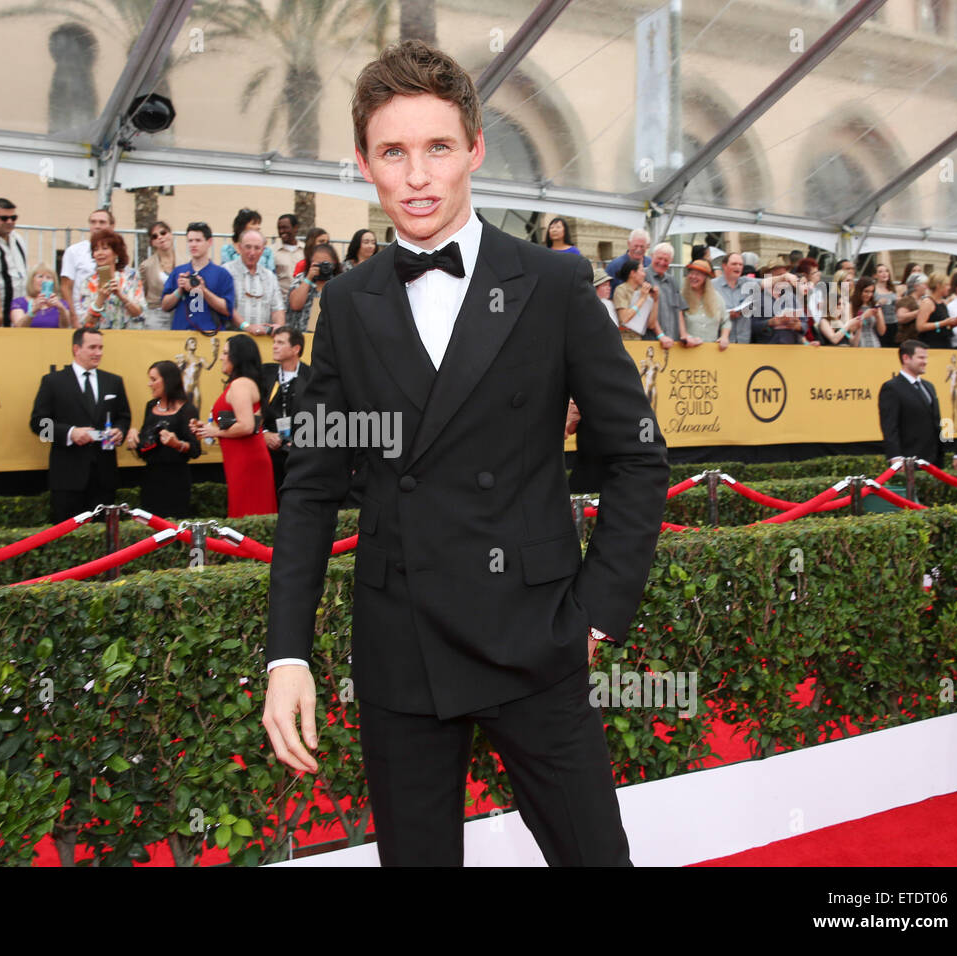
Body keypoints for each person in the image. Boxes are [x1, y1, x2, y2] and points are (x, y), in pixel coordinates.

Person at [263, 40, 669, 868]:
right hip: (399, 644)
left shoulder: (553, 285)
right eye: (394, 152)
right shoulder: (346, 304)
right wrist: (287, 653)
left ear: (475, 149)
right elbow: (310, 490)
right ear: (365, 164)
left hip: (535, 640)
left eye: (438, 148)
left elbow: (635, 454)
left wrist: (594, 615)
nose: (417, 175)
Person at [28, 328, 132, 524]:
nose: (98, 352)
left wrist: (120, 431)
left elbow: (124, 417)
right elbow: (38, 424)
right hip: (68, 476)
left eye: (101, 347)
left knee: (106, 538)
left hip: (105, 475)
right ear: (76, 349)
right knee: (68, 534)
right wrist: (70, 433)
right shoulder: (53, 381)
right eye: (92, 347)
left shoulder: (113, 381)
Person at [189, 333, 277, 517]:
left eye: (226, 353)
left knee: (248, 512)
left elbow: (246, 426)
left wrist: (214, 431)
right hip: (241, 458)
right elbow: (237, 421)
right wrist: (207, 429)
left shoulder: (240, 385)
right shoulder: (240, 384)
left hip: (247, 459)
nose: (221, 357)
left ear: (238, 357)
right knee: (244, 511)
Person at [133, 360, 201, 518]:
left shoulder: (187, 409)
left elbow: (195, 450)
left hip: (176, 480)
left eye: (154, 379)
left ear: (168, 380)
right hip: (151, 478)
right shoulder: (150, 406)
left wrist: (177, 444)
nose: (150, 384)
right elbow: (144, 447)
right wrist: (135, 438)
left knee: (174, 526)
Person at [261, 327, 313, 495]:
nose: (274, 346)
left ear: (296, 349)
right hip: (270, 453)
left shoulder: (312, 377)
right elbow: (254, 410)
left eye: (280, 342)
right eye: (274, 342)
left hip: (302, 455)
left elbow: (321, 414)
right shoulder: (265, 374)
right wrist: (265, 433)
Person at [878, 339, 943, 467]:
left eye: (926, 358)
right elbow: (890, 426)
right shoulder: (892, 387)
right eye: (921, 357)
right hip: (909, 459)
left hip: (934, 460)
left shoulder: (929, 386)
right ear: (906, 358)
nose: (925, 362)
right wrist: (895, 457)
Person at [162, 222, 235, 333]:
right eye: (190, 241)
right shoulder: (179, 271)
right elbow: (165, 306)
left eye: (198, 240)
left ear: (209, 242)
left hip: (210, 334)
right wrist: (179, 290)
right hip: (181, 333)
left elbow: (227, 310)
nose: (193, 245)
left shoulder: (222, 274)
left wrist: (203, 291)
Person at [80, 230, 145, 329]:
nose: (99, 253)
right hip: (99, 339)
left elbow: (140, 314)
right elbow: (86, 324)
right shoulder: (88, 282)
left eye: (105, 248)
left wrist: (120, 295)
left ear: (116, 253)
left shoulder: (131, 277)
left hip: (129, 337)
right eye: (96, 249)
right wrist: (100, 299)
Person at [225, 228, 285, 333]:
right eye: (248, 247)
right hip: (233, 338)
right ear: (239, 248)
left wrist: (278, 327)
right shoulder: (227, 271)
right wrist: (247, 327)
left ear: (262, 251)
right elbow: (226, 307)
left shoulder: (269, 276)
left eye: (257, 248)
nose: (252, 252)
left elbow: (278, 308)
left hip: (263, 339)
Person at [60, 207, 115, 310]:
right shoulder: (74, 251)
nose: (97, 226)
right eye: (93, 222)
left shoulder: (116, 251)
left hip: (110, 310)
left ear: (112, 226)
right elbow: (65, 287)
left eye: (102, 222)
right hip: (81, 312)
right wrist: (72, 315)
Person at [286, 243, 341, 332]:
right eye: (318, 264)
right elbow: (295, 305)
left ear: (334, 264)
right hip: (300, 335)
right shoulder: (302, 278)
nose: (322, 268)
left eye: (326, 264)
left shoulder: (339, 282)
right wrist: (308, 278)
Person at [136, 220, 178, 330]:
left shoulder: (187, 261)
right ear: (152, 243)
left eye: (163, 233)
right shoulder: (146, 266)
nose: (160, 237)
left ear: (171, 234)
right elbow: (142, 293)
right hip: (156, 315)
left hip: (180, 313)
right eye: (154, 236)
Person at [712, 252, 760, 344]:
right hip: (720, 342)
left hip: (744, 340)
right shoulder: (712, 285)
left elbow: (767, 282)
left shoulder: (747, 282)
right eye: (734, 264)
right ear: (724, 266)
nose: (738, 267)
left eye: (740, 264)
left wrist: (785, 277)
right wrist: (725, 316)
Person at [680, 259, 729, 349]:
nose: (693, 277)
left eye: (698, 274)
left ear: (706, 278)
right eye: (691, 273)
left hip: (711, 351)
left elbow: (726, 321)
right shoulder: (681, 296)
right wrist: (685, 336)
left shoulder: (716, 297)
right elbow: (676, 322)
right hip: (687, 350)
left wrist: (724, 337)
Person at [646, 242, 686, 347]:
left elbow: (679, 309)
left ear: (671, 261)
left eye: (666, 260)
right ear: (651, 256)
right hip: (652, 341)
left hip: (673, 341)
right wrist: (661, 336)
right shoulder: (644, 276)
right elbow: (647, 311)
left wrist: (683, 334)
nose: (662, 262)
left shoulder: (672, 280)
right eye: (659, 258)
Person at [611, 259, 659, 341]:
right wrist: (642, 299)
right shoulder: (621, 290)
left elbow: (651, 325)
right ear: (632, 273)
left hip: (638, 339)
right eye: (642, 271)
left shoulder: (642, 291)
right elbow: (624, 318)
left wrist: (655, 300)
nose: (644, 274)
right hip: (623, 338)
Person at [915, 272, 957, 349]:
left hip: (944, 344)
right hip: (931, 345)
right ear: (939, 286)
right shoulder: (928, 302)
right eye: (947, 285)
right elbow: (920, 326)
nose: (949, 288)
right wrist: (943, 323)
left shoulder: (943, 303)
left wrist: (952, 324)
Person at [604, 228, 651, 294]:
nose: (638, 249)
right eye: (636, 246)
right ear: (629, 244)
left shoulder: (651, 264)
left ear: (647, 246)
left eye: (642, 246)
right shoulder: (614, 266)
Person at [273, 214, 302, 298]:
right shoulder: (271, 252)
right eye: (279, 228)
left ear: (295, 228)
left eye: (285, 227)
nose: (281, 231)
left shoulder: (306, 250)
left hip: (301, 301)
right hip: (281, 302)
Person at [896, 273, 928, 346]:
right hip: (908, 341)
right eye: (924, 284)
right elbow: (900, 317)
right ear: (916, 286)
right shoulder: (906, 300)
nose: (926, 287)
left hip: (921, 340)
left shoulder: (924, 300)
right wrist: (919, 312)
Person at [872, 263, 899, 348]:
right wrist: (878, 303)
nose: (884, 273)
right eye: (880, 272)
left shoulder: (892, 288)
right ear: (875, 275)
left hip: (894, 323)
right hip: (880, 324)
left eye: (886, 271)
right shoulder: (873, 290)